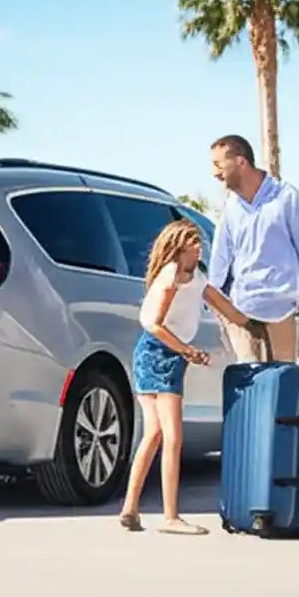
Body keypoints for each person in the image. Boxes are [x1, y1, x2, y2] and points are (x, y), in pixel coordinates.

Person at [117, 219, 263, 534]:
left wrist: (251, 323)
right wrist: (187, 351)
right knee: (172, 437)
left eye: (199, 243)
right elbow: (155, 324)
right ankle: (170, 517)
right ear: (178, 248)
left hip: (156, 355)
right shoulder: (170, 277)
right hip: (158, 354)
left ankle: (130, 508)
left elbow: (222, 305)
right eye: (193, 243)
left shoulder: (194, 276)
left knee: (154, 434)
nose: (199, 248)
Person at [207, 134, 299, 363]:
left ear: (241, 161)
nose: (214, 173)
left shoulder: (286, 198)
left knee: (283, 375)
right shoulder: (231, 206)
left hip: (282, 305)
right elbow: (221, 255)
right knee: (250, 375)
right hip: (243, 306)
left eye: (218, 164)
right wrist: (213, 296)